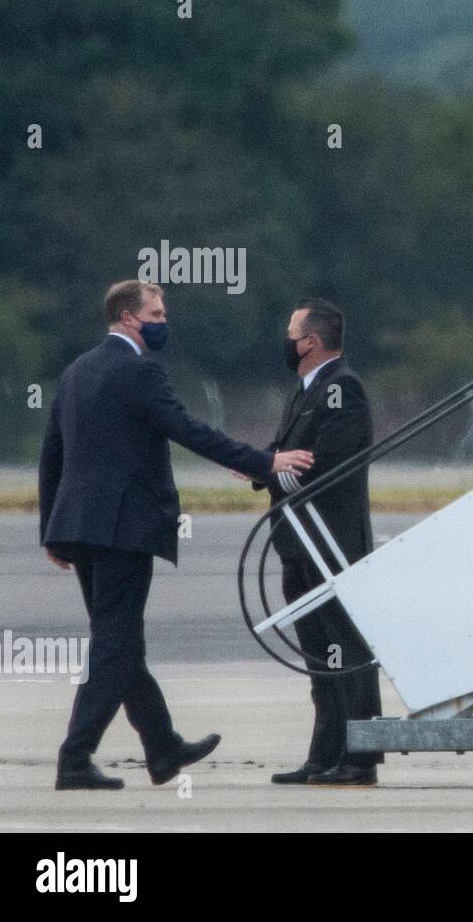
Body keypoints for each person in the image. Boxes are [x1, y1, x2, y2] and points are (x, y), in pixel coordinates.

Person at [39, 279, 315, 790]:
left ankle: (161, 746)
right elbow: (190, 430)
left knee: (123, 644)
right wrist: (265, 462)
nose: (164, 322)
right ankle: (75, 757)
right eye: (156, 314)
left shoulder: (77, 371)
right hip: (124, 528)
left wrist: (52, 532)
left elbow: (52, 451)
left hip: (82, 528)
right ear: (126, 318)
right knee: (114, 644)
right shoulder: (140, 371)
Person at [258, 298, 383, 787]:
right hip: (297, 540)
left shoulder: (342, 390)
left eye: (292, 332)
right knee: (318, 652)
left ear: (310, 341)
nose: (287, 341)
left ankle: (360, 756)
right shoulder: (305, 390)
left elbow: (322, 462)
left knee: (345, 647)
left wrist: (271, 470)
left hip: (330, 540)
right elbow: (282, 453)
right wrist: (259, 463)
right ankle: (324, 754)